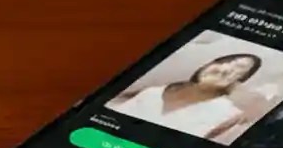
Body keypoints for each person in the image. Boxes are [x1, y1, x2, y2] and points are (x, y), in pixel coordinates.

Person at [108, 53, 262, 139]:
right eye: (223, 62)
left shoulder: (228, 115)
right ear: (205, 66)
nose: (225, 69)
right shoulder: (152, 93)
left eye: (239, 69)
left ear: (238, 82)